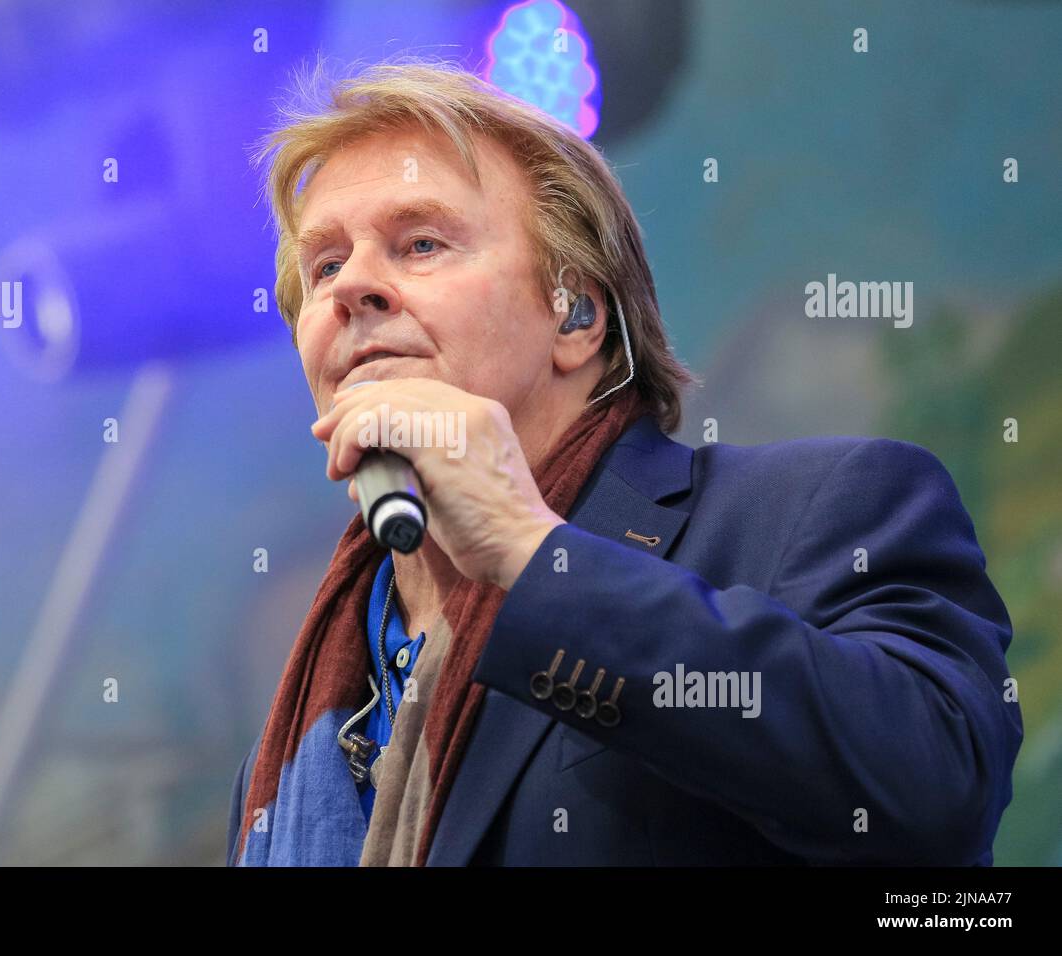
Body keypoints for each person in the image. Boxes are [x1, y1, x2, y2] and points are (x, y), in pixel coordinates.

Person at [227, 58, 1022, 866]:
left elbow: (934, 791)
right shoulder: (291, 737)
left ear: (576, 318)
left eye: (421, 243)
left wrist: (527, 552)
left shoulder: (821, 509)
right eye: (324, 264)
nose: (351, 284)